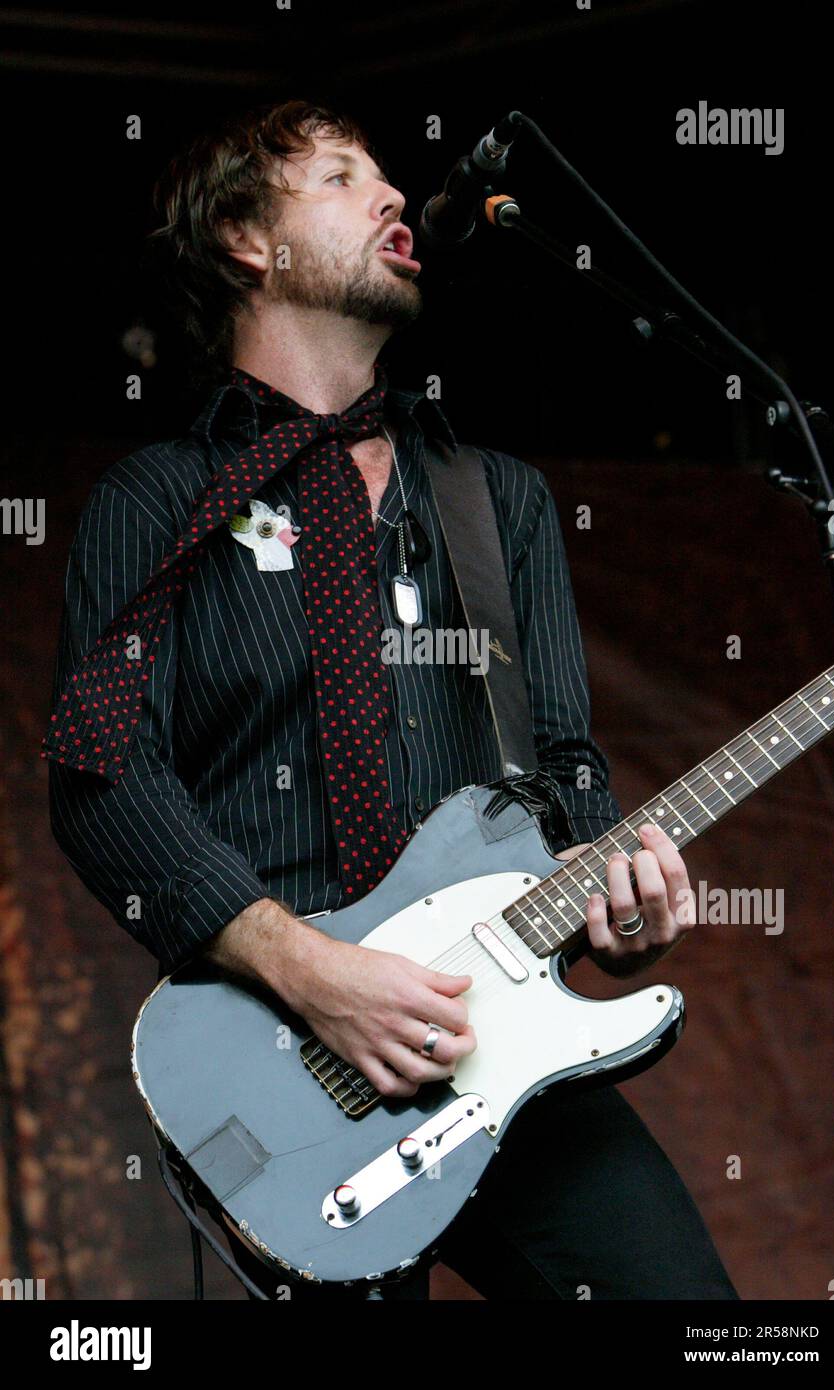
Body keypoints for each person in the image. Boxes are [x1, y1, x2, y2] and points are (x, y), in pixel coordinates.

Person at [45, 98, 739, 1302]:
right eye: (338, 177)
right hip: (286, 1069)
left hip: (501, 1042)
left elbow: (563, 767)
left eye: (384, 175)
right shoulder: (155, 502)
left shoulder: (494, 500)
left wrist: (619, 909)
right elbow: (101, 777)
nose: (392, 198)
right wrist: (309, 968)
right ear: (244, 241)